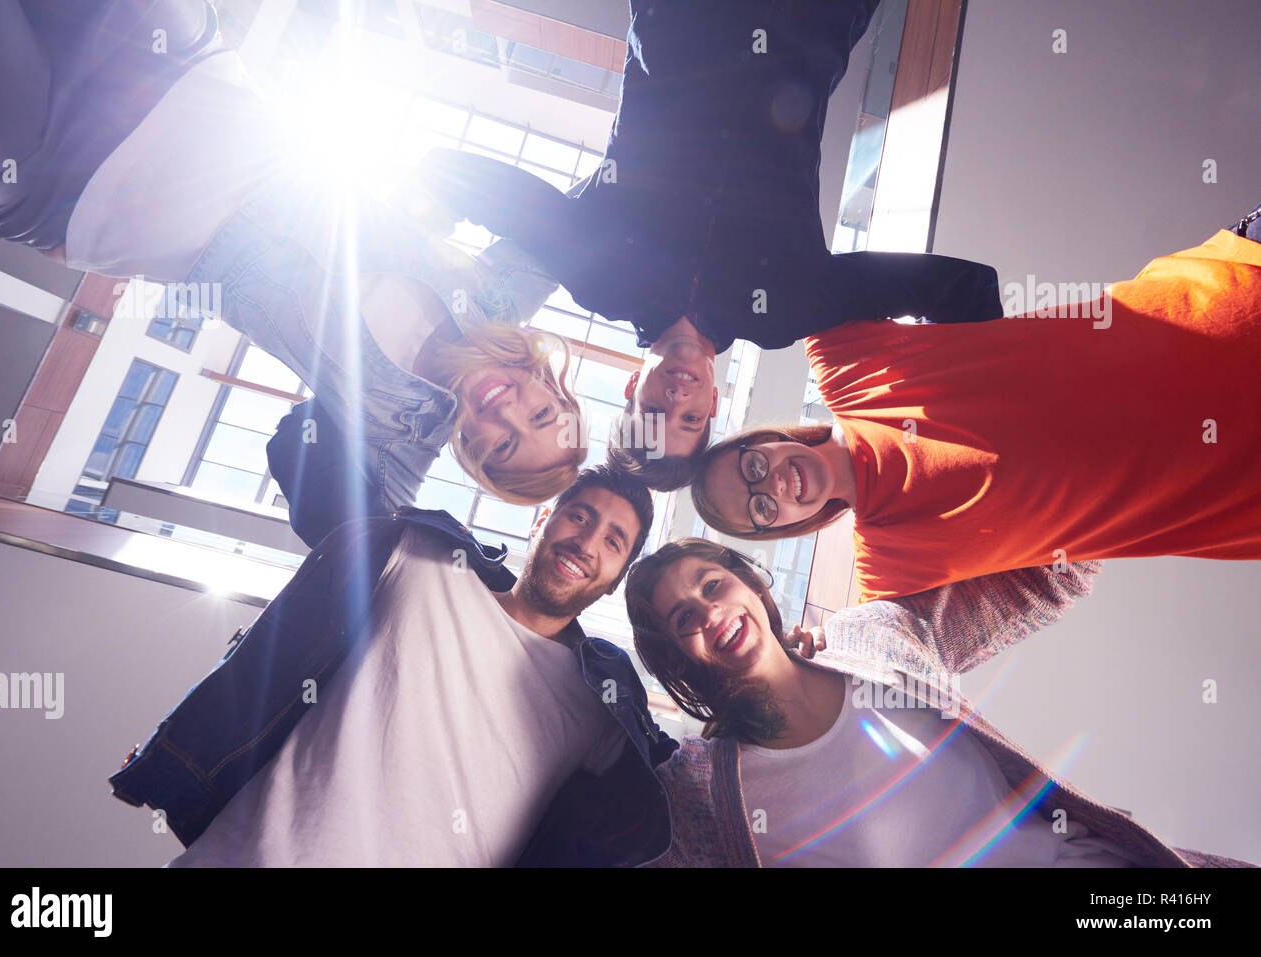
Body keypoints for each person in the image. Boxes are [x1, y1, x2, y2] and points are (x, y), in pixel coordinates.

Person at [0, 0, 586, 508]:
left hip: (64, 193)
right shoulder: (501, 299)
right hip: (178, 67)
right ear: (551, 388)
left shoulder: (394, 442)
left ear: (473, 453)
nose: (507, 414)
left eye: (504, 447)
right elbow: (589, 229)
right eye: (538, 414)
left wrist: (495, 588)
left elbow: (359, 540)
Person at [415, 0, 1004, 489]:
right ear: (716, 407)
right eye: (690, 418)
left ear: (629, 388)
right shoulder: (788, 313)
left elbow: (460, 178)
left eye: (654, 410)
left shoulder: (598, 276)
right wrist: (989, 411)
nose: (676, 394)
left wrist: (415, 228)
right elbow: (959, 287)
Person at [112, 466, 678, 866]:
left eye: (613, 540)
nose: (587, 541)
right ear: (542, 521)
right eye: (579, 516)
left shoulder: (601, 707)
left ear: (616, 579)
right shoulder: (421, 558)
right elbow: (312, 444)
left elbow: (683, 793)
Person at [690, 219, 1261, 602]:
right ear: (782, 529)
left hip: (1233, 298)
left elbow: (965, 282)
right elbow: (874, 669)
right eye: (759, 510)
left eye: (751, 468)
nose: (774, 487)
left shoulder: (844, 360)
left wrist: (996, 367)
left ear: (758, 441)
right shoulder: (888, 571)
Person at [624, 539, 1253, 867]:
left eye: (715, 585)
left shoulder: (867, 640)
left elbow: (1056, 575)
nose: (712, 612)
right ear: (678, 654)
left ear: (753, 585)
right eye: (685, 617)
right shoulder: (705, 792)